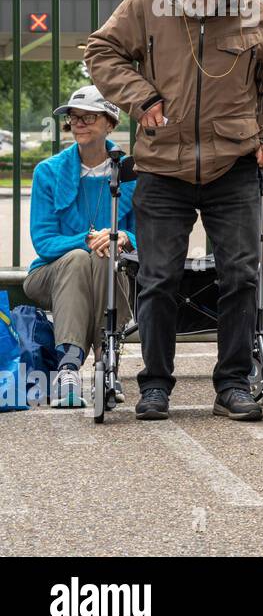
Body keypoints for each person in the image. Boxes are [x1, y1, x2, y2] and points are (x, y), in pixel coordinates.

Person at [85, 0, 263, 422]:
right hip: (162, 165)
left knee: (241, 276)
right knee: (157, 278)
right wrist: (143, 99)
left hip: (233, 164)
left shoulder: (253, 11)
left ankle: (233, 384)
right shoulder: (146, 4)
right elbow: (101, 51)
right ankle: (154, 384)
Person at [23, 86, 136, 407]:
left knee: (105, 253)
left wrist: (124, 237)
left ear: (111, 123)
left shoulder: (132, 173)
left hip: (110, 273)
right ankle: (72, 367)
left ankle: (103, 365)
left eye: (89, 117)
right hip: (51, 274)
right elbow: (44, 242)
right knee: (78, 256)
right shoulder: (48, 171)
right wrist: (87, 240)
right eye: (74, 118)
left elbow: (146, 236)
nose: (79, 124)